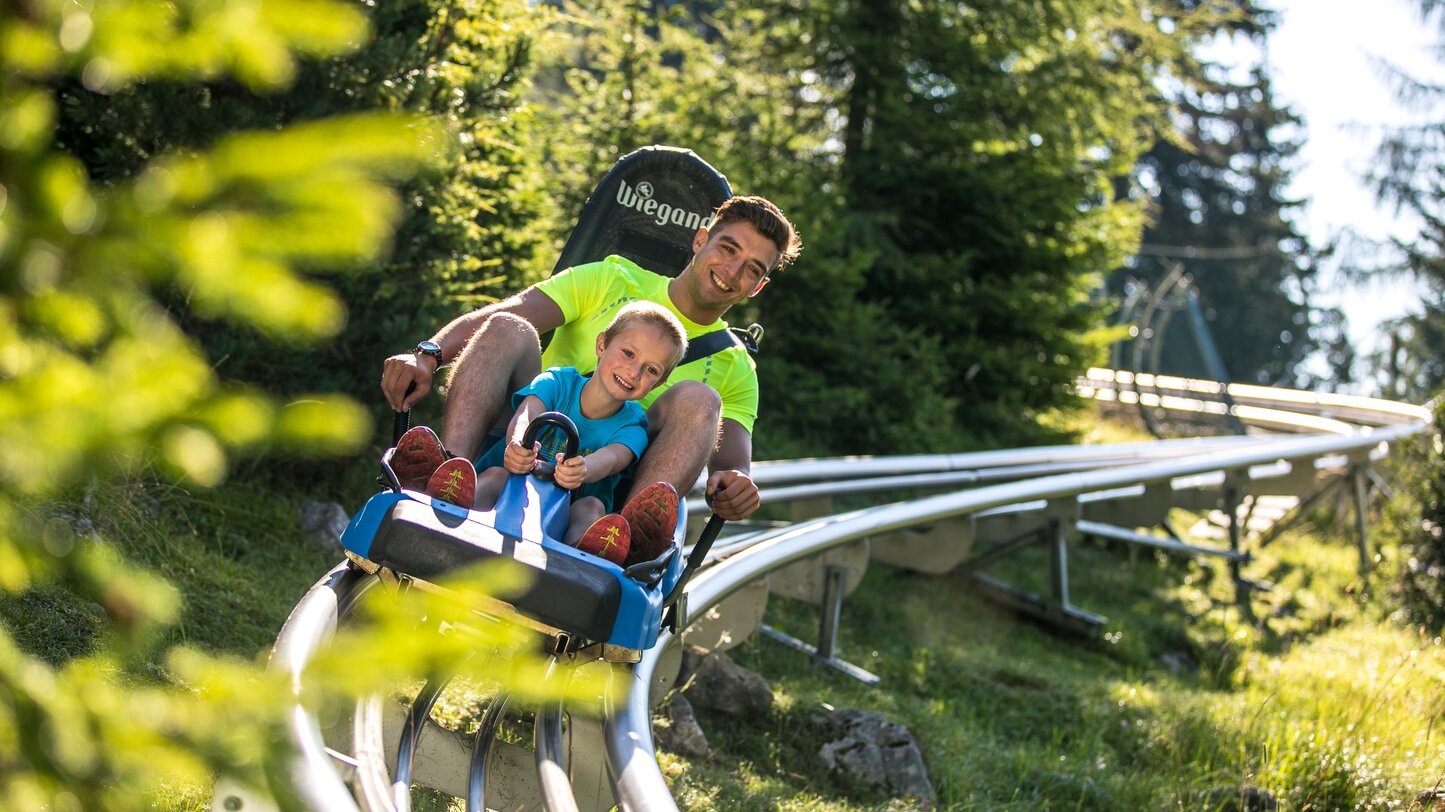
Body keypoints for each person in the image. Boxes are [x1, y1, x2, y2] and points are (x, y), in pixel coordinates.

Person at [381, 194, 802, 554]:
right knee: (509, 327)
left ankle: (625, 543)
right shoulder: (609, 277)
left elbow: (733, 466)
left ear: (758, 286)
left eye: (752, 269)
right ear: (701, 239)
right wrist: (428, 354)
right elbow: (509, 313)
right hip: (521, 442)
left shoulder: (736, 366)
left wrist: (736, 483)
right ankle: (450, 477)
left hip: (608, 488)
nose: (733, 271)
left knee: (701, 400)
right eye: (728, 249)